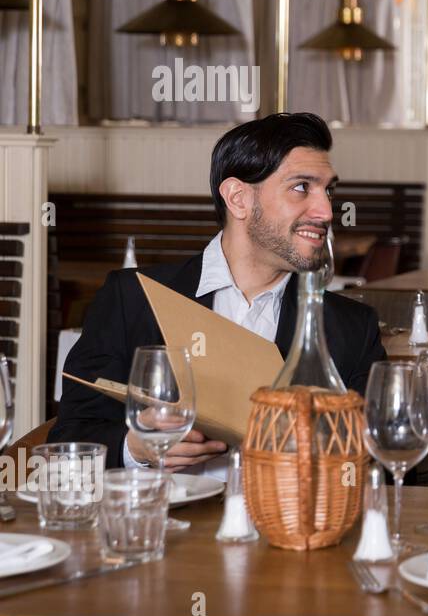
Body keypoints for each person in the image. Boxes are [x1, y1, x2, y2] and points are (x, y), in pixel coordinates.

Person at [55, 112, 387, 474]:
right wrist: (136, 448)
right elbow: (66, 442)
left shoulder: (352, 328)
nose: (325, 211)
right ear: (238, 198)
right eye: (302, 187)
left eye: (329, 190)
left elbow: (375, 465)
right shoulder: (132, 299)